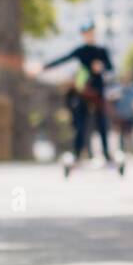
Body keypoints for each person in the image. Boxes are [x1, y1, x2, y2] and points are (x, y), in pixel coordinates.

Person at [41, 21, 114, 162]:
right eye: (86, 33)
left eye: (91, 32)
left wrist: (102, 67)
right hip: (84, 91)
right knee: (81, 122)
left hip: (98, 91)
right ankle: (77, 153)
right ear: (83, 35)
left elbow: (111, 68)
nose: (89, 35)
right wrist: (44, 67)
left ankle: (106, 153)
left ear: (94, 33)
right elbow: (64, 59)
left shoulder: (101, 50)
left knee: (102, 123)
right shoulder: (81, 50)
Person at [106, 70, 133, 156]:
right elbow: (110, 98)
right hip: (120, 114)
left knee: (131, 132)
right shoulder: (117, 87)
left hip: (131, 114)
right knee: (121, 133)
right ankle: (122, 151)